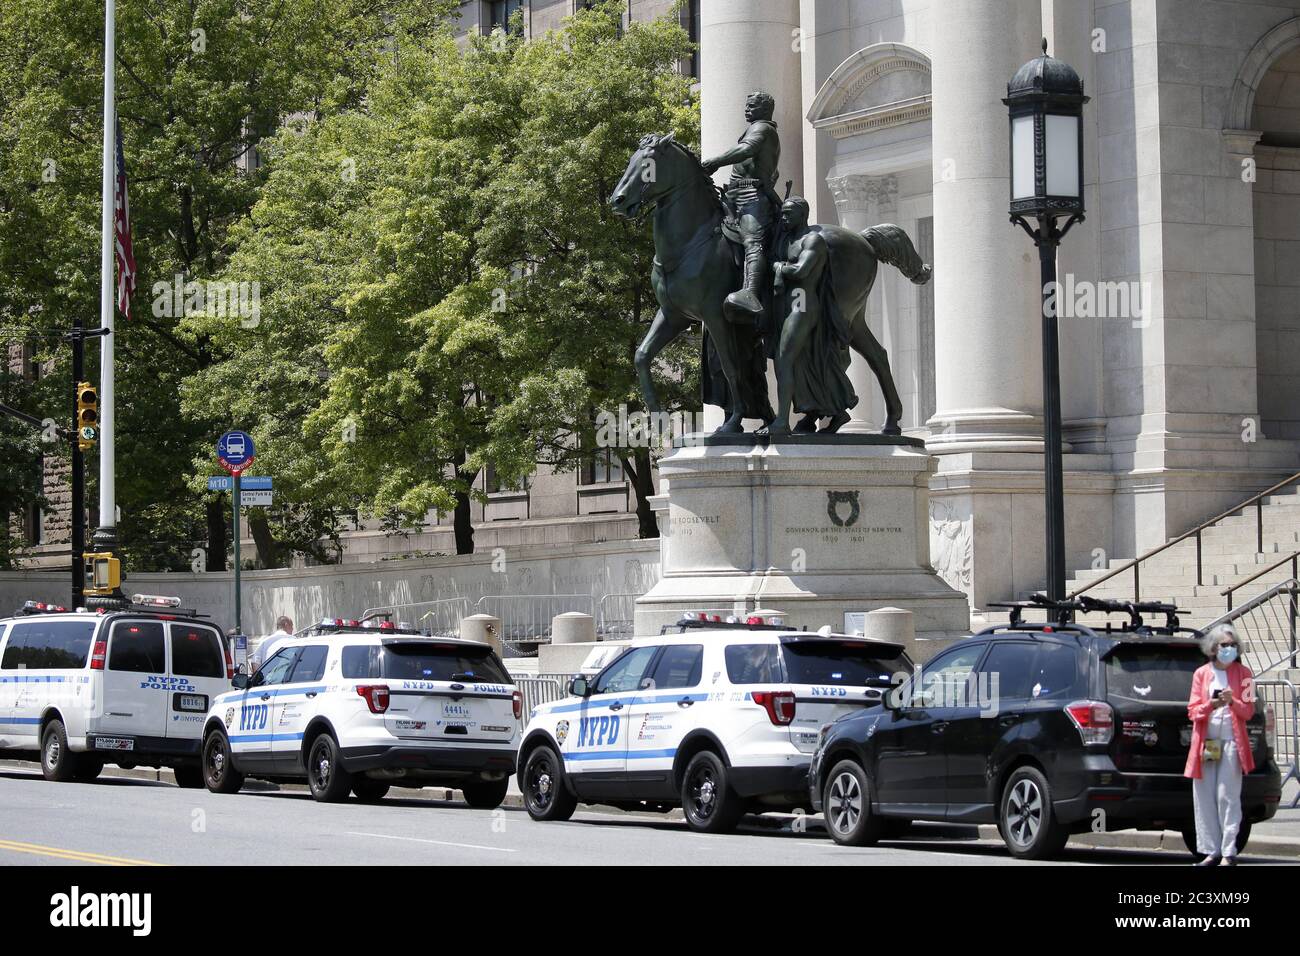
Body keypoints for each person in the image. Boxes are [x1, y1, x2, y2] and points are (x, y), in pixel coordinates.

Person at [701, 90, 782, 320]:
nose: (747, 109)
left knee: (752, 240)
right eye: (747, 105)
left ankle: (751, 293)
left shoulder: (763, 128)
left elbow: (746, 150)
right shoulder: (755, 128)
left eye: (752, 105)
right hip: (734, 194)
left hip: (752, 195)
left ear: (765, 109)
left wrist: (715, 161)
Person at [1185, 623, 1256, 866]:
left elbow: (1248, 711)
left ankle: (1229, 850)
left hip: (1232, 742)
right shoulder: (1201, 674)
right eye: (1225, 645)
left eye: (1233, 645)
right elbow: (1193, 711)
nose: (1229, 649)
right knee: (1204, 796)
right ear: (1214, 648)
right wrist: (1212, 705)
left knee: (1228, 795)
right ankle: (1210, 850)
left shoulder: (1244, 673)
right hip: (1207, 743)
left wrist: (1232, 701)